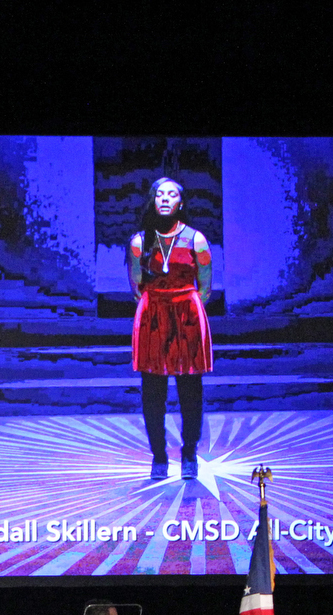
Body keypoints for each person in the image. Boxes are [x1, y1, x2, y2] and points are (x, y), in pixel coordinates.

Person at [127, 176, 213, 481]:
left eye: (171, 194)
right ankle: (159, 456)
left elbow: (205, 284)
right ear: (152, 200)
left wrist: (187, 306)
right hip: (153, 315)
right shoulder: (139, 241)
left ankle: (189, 453)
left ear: (181, 202)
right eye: (159, 194)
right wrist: (156, 305)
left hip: (187, 316)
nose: (165, 198)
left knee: (190, 389)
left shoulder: (196, 239)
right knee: (153, 391)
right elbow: (136, 284)